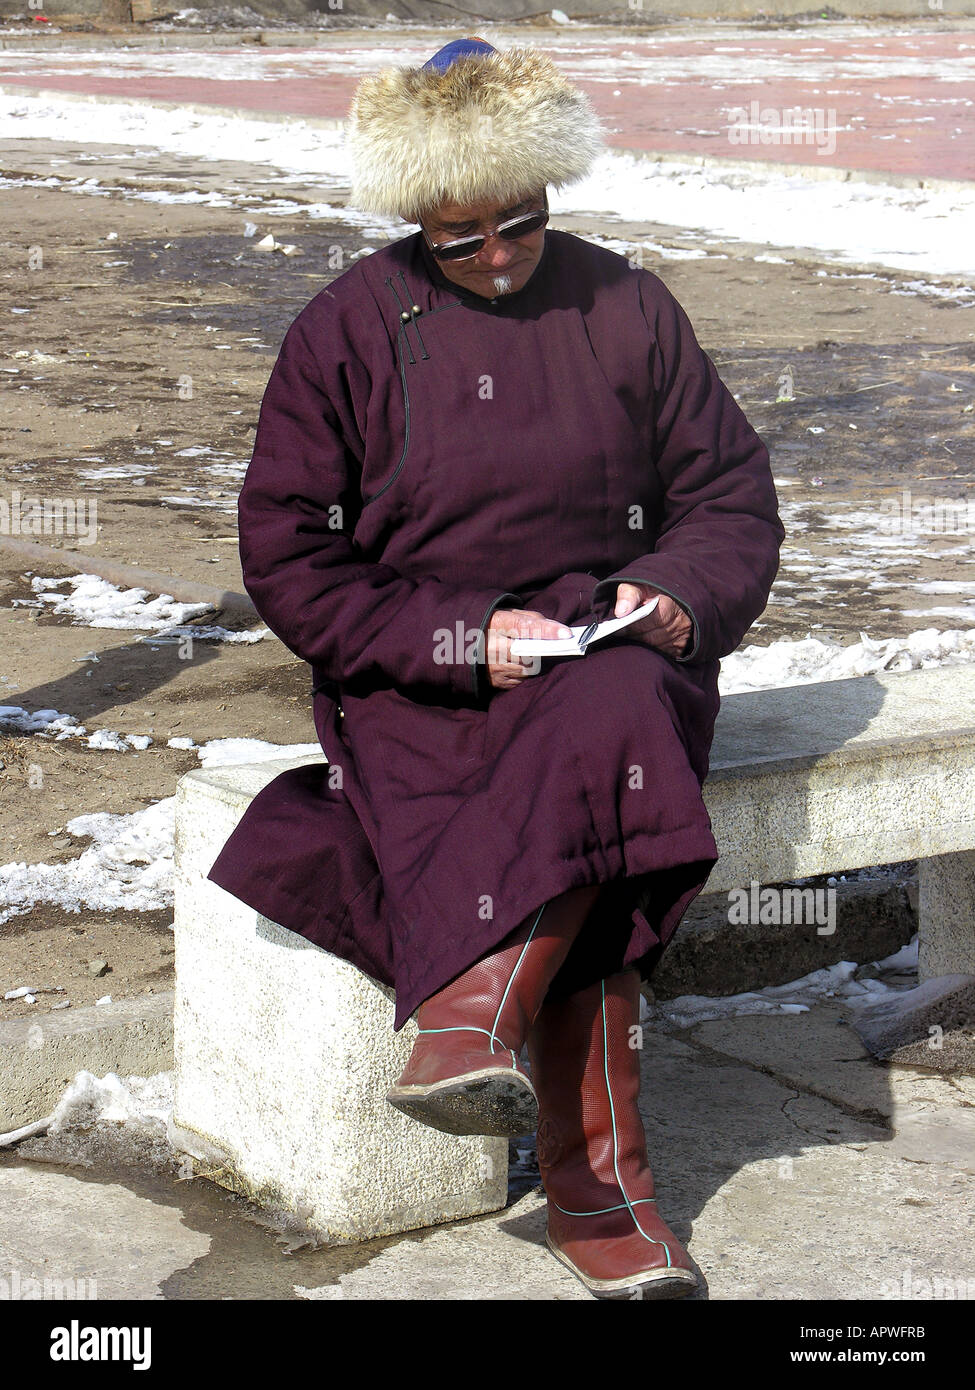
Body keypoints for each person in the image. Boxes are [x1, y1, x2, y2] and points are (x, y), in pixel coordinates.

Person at [208, 36, 785, 1299]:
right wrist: (466, 640)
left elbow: (731, 498)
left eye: (519, 224)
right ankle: (603, 1198)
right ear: (418, 219)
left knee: (618, 704)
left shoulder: (627, 305)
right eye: (461, 238)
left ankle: (473, 1013)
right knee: (607, 801)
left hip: (613, 651)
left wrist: (674, 594)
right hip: (426, 681)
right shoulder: (345, 329)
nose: (500, 256)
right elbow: (291, 559)